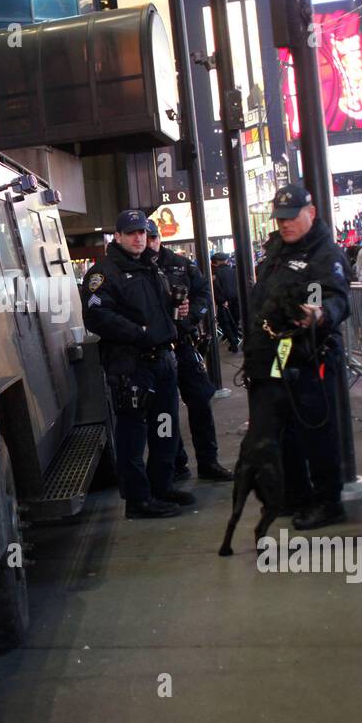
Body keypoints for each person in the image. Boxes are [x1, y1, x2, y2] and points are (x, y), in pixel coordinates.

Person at [242, 185, 351, 530]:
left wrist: (318, 315)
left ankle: (327, 501)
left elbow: (331, 296)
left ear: (311, 212)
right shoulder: (276, 252)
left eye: (292, 218)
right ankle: (296, 495)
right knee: (283, 432)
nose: (285, 225)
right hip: (275, 357)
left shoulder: (323, 255)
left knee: (316, 432)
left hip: (307, 355)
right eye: (281, 219)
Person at [81, 210, 195, 518]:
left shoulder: (150, 267)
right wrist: (139, 333)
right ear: (117, 236)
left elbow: (153, 308)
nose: (138, 237)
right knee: (132, 435)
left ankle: (161, 487)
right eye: (131, 233)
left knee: (166, 429)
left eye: (142, 232)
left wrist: (175, 306)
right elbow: (96, 315)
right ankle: (138, 500)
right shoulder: (104, 273)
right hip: (131, 365)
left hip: (162, 361)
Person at [146, 221, 233, 483]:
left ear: (158, 238)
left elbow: (204, 294)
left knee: (199, 401)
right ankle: (175, 460)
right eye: (141, 236)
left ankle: (208, 461)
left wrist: (191, 316)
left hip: (183, 343)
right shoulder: (136, 269)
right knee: (163, 410)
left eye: (151, 237)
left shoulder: (180, 264)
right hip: (155, 348)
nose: (148, 242)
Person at [211, 251, 241, 352]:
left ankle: (233, 342)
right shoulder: (233, 271)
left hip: (224, 302)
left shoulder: (216, 273)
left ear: (217, 261)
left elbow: (217, 288)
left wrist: (222, 300)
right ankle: (235, 340)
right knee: (235, 321)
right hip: (235, 300)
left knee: (224, 322)